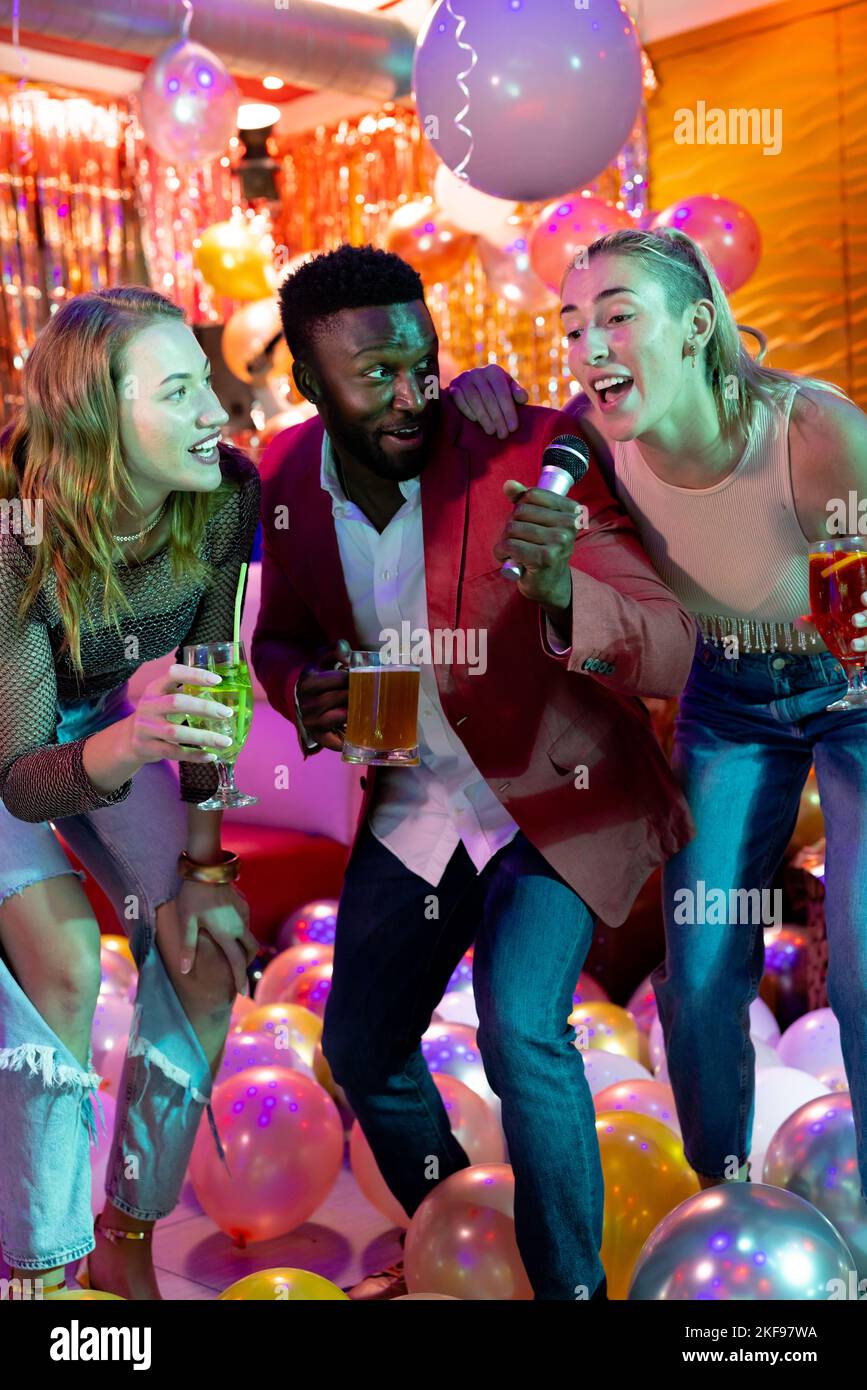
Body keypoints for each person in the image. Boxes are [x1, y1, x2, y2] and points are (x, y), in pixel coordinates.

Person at [251, 242, 697, 1300]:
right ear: (312, 385)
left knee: (521, 1022)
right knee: (361, 1049)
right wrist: (301, 686)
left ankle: (569, 1289)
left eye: (426, 364)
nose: (413, 397)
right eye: (377, 378)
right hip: (415, 802)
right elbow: (280, 638)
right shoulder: (281, 476)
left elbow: (669, 638)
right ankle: (458, 1212)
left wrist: (557, 593)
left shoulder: (529, 443)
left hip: (551, 796)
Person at [449, 226, 867, 1202]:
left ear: (696, 326)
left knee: (860, 977)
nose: (588, 344)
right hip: (727, 700)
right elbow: (482, 437)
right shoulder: (589, 442)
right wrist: (471, 394)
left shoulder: (812, 436)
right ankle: (727, 1200)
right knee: (700, 981)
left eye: (618, 316)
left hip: (854, 692)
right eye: (571, 325)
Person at [0, 287, 260, 1299]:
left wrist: (202, 868)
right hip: (8, 740)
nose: (219, 414)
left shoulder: (226, 492)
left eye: (209, 382)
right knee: (65, 963)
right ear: (101, 419)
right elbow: (24, 776)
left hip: (97, 718)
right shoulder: (14, 520)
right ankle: (46, 1272)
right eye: (182, 390)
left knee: (205, 955)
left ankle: (127, 1237)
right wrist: (123, 740)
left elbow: (208, 677)